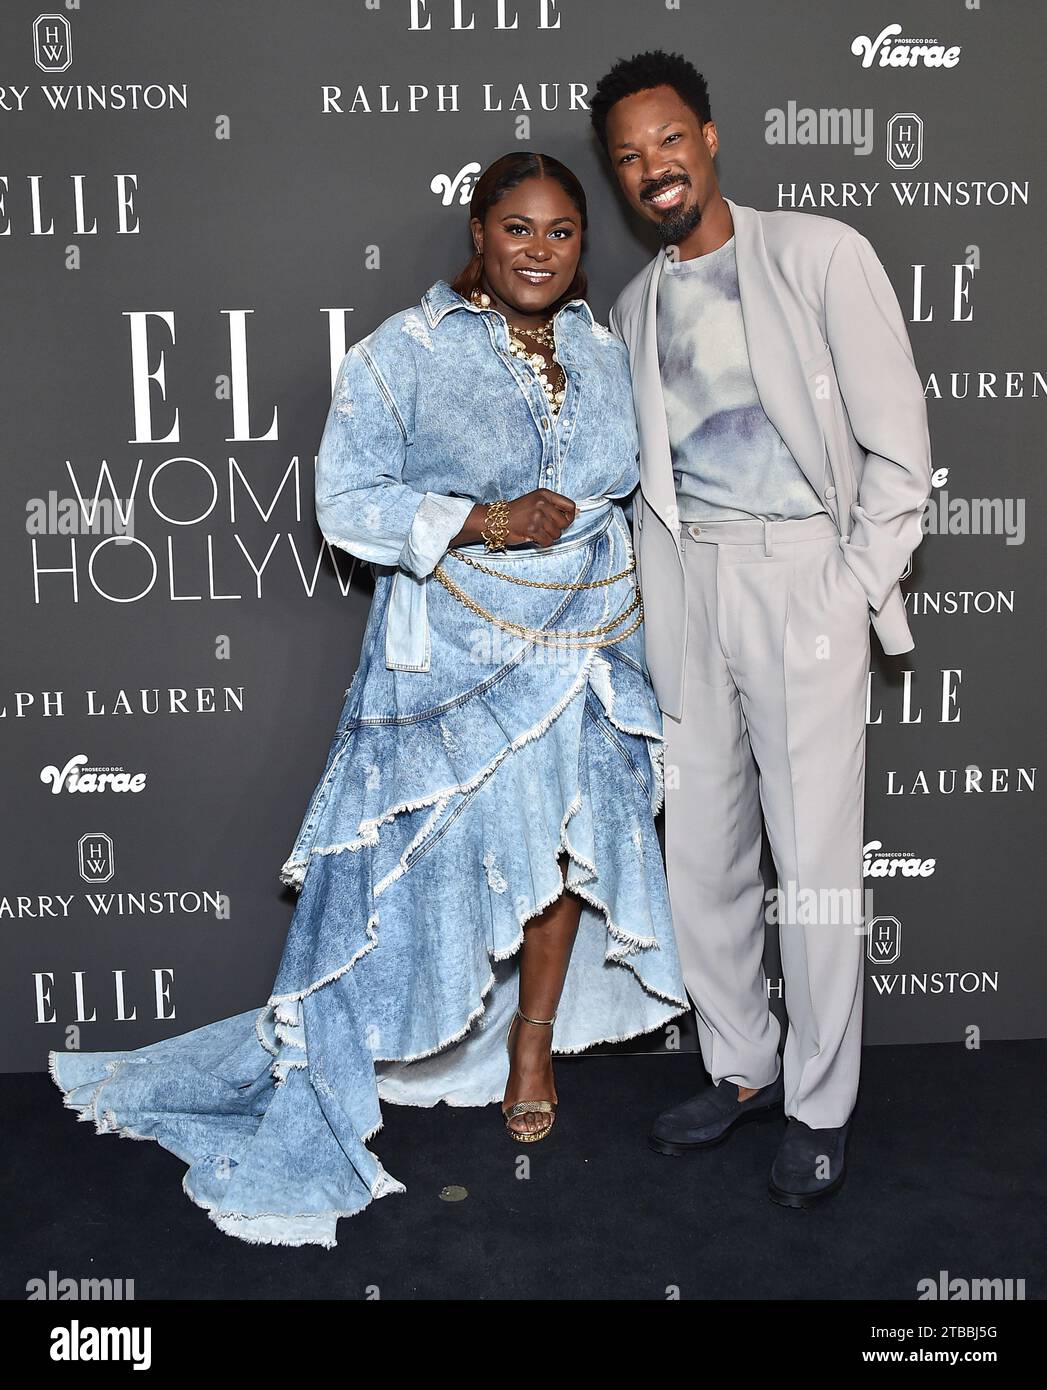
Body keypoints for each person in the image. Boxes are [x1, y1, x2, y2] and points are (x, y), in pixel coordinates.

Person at [47, 151, 688, 1249]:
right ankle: (347, 1060)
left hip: (585, 644)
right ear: (479, 234)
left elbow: (631, 486)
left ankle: (529, 1049)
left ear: (583, 247)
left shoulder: (604, 347)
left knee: (567, 851)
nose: (540, 249)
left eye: (562, 232)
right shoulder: (407, 350)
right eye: (518, 228)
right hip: (444, 660)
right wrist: (482, 522)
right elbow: (345, 501)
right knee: (395, 874)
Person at [590, 52, 932, 1206]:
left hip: (805, 581)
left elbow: (902, 454)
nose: (655, 169)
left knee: (820, 867)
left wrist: (847, 584)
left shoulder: (819, 255)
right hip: (690, 589)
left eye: (669, 141)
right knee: (704, 860)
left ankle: (821, 1102)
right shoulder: (631, 310)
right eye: (630, 157)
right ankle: (740, 1067)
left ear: (711, 136)